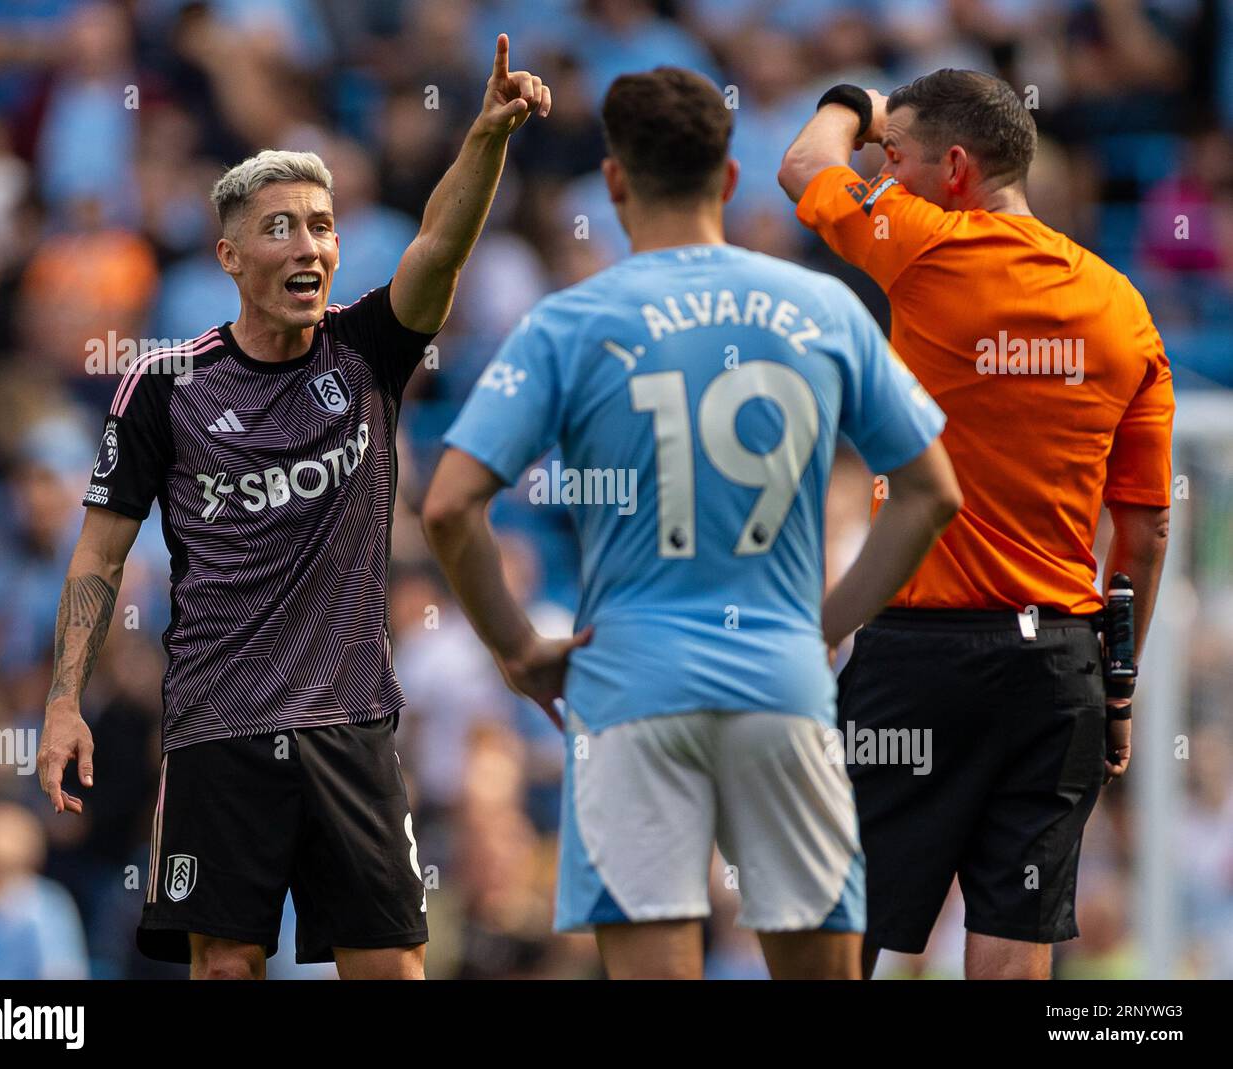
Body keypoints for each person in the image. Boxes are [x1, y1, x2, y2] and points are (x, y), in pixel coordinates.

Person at [422, 66, 961, 980]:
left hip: (629, 692)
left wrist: (516, 648)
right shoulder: (822, 306)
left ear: (617, 182)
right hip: (782, 687)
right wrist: (822, 626)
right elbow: (932, 492)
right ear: (731, 180)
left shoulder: (571, 322)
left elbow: (448, 505)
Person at [37, 35, 552, 981]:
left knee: (391, 968)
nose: (309, 243)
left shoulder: (367, 353)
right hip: (215, 727)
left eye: (321, 224)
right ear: (231, 257)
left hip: (349, 722)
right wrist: (64, 700)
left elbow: (440, 240)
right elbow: (99, 555)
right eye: (281, 227)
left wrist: (485, 140)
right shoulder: (163, 385)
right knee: (227, 965)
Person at [778, 69, 1175, 980]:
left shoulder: (923, 246)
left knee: (845, 927)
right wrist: (1118, 683)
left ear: (953, 168)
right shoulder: (1123, 306)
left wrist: (852, 99)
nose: (886, 174)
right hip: (1059, 669)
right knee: (1012, 942)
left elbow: (803, 164)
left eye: (897, 158)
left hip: (918, 657)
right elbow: (1144, 532)